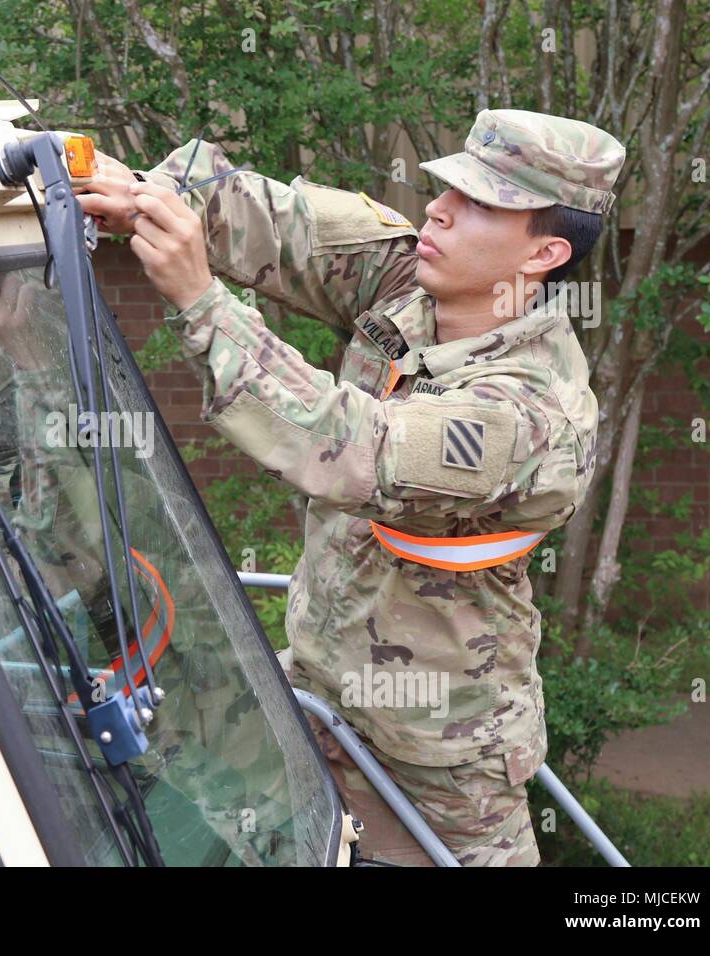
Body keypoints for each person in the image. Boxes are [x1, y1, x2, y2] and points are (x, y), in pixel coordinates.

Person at [77, 109, 625, 865]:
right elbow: (276, 221)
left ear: (546, 252)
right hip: (319, 699)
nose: (439, 209)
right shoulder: (413, 279)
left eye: (480, 205)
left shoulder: (533, 410)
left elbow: (352, 448)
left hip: (438, 753)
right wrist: (139, 191)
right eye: (450, 190)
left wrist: (203, 306)